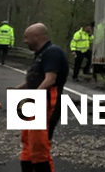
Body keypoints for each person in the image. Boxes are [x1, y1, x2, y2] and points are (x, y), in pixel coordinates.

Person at [13, 23, 68, 172]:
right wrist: (18, 89)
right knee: (28, 142)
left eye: (27, 37)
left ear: (37, 37)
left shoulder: (52, 52)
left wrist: (33, 96)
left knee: (40, 145)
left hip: (46, 102)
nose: (24, 41)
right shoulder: (41, 53)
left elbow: (50, 79)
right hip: (34, 103)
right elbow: (36, 78)